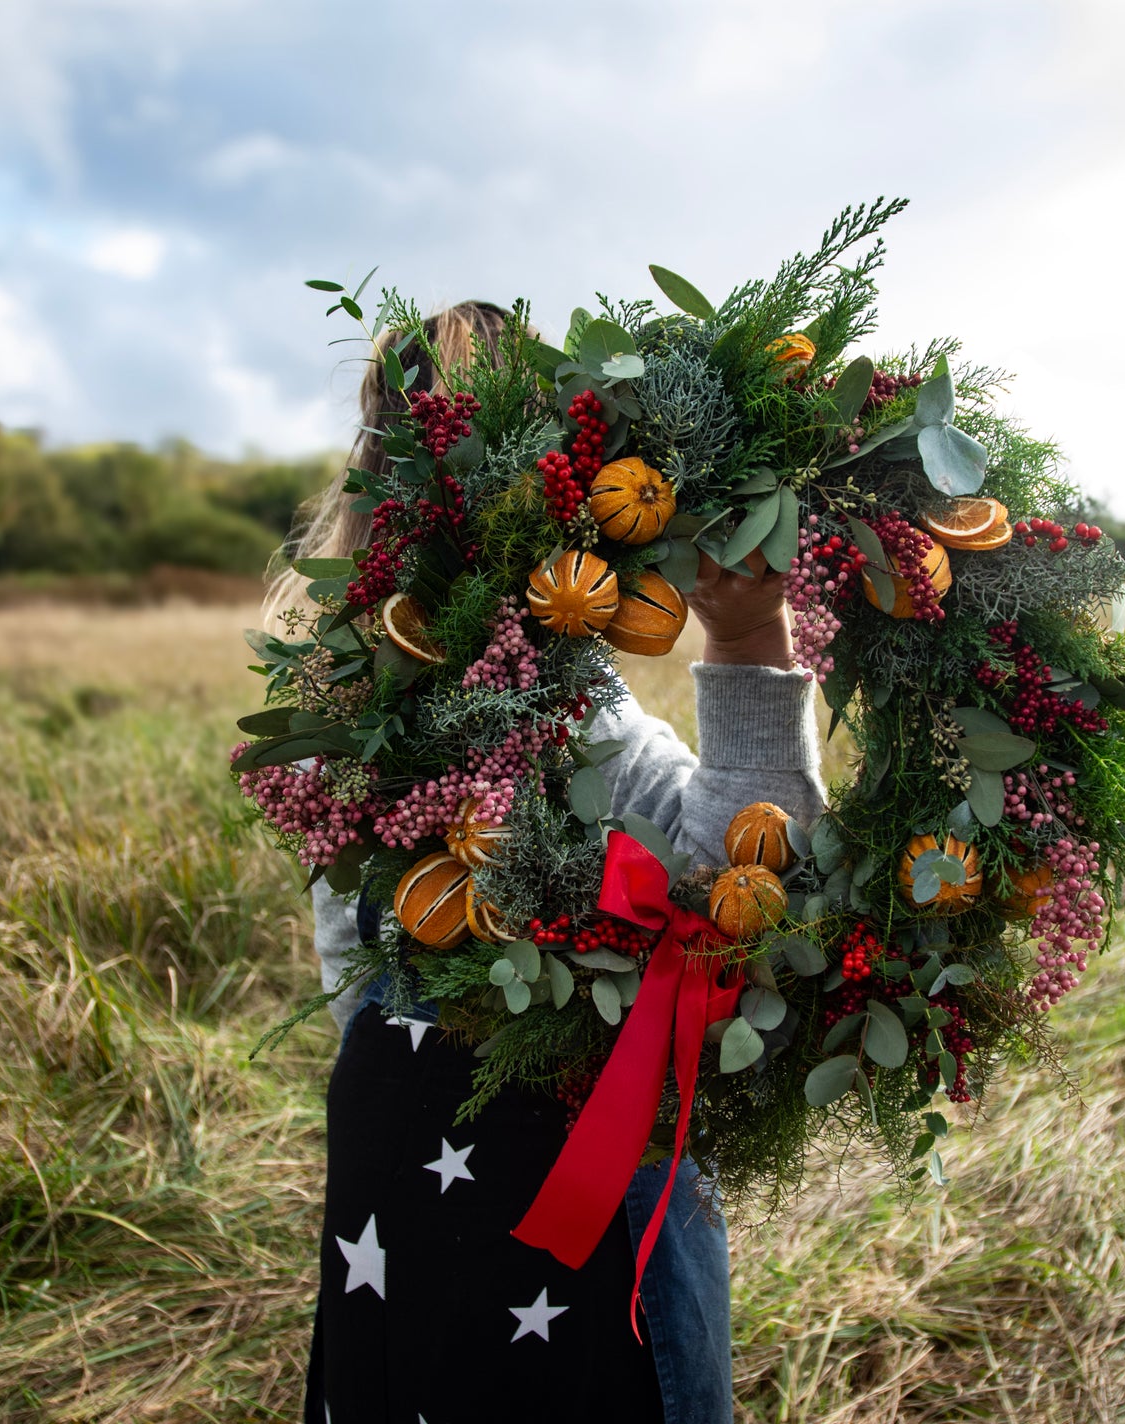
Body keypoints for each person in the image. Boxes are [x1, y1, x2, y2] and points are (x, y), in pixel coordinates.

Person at [275, 302, 826, 1423]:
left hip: (391, 1143)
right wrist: (745, 641)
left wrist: (400, 1075)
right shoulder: (535, 699)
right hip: (562, 1164)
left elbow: (348, 964)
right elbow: (746, 863)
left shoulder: (348, 695)